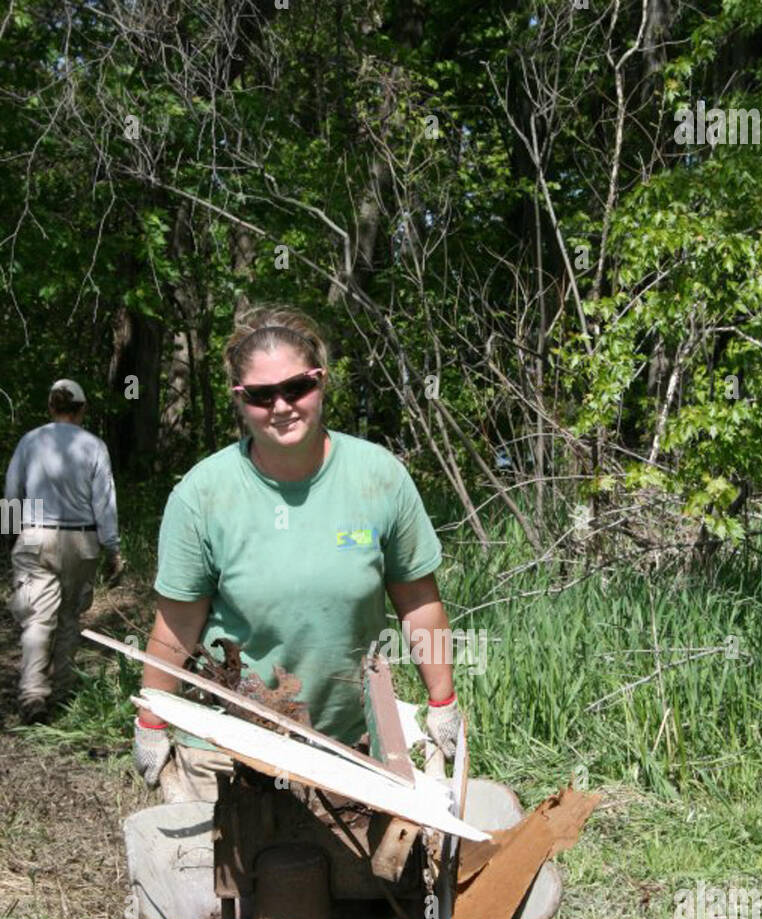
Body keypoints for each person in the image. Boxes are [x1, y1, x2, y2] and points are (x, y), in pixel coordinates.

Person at [134, 305, 462, 802]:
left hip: (349, 743)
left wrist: (443, 701)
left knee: (350, 878)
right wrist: (152, 718)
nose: (282, 406)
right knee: (227, 879)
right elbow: (176, 625)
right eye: (262, 396)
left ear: (321, 382)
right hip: (227, 746)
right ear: (239, 402)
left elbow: (417, 601)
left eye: (297, 387)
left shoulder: (379, 478)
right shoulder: (203, 495)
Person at [4, 378, 123, 723]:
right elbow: (105, 503)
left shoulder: (30, 441)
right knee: (70, 616)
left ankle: (32, 696)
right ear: (82, 409)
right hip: (81, 541)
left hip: (35, 537)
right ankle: (65, 690)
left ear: (51, 407)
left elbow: (11, 493)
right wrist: (112, 548)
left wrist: (8, 534)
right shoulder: (94, 446)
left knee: (37, 619)